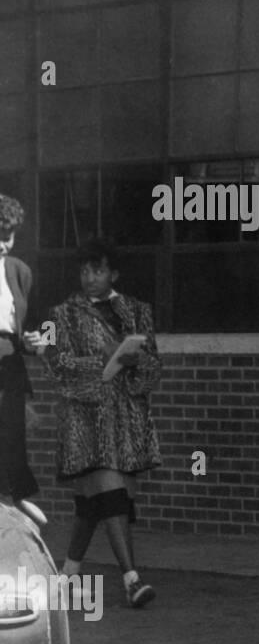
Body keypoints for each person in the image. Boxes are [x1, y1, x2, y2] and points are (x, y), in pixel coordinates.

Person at [45, 238, 163, 608]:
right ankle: (132, 580)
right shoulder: (61, 315)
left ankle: (65, 577)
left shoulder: (138, 311)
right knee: (112, 495)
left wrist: (135, 364)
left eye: (97, 270)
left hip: (124, 423)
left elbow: (154, 368)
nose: (89, 277)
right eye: (83, 270)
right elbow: (57, 365)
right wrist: (101, 360)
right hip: (84, 422)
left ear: (113, 273)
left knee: (92, 504)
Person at [0, 195, 47, 528]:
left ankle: (13, 501)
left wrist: (38, 342)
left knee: (11, 437)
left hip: (9, 366)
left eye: (10, 235)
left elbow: (42, 327)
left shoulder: (20, 272)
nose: (5, 244)